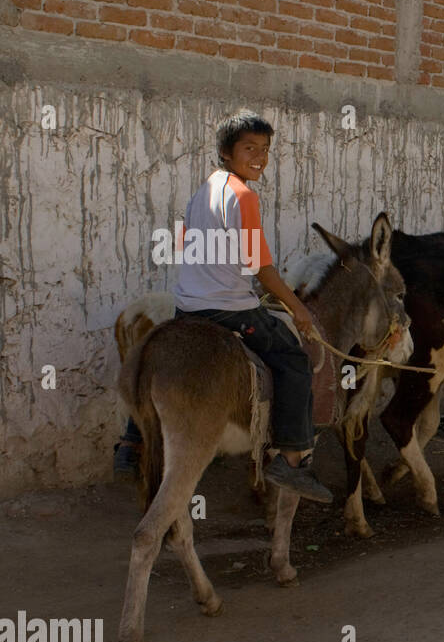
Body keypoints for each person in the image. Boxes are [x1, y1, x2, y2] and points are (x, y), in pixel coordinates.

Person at [113, 110, 331, 503]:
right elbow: (261, 267)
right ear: (226, 153)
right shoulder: (244, 195)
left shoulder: (204, 191)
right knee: (293, 361)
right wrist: (297, 307)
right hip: (229, 309)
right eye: (250, 148)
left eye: (265, 149)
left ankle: (131, 441)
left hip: (188, 307)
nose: (260, 157)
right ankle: (291, 459)